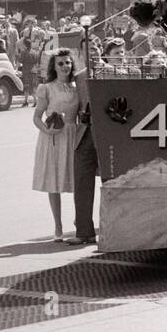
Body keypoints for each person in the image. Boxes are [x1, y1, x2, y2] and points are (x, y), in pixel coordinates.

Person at [32, 48, 81, 241]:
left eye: (68, 63)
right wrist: (46, 129)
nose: (65, 66)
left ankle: (80, 221)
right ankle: (58, 227)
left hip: (73, 134)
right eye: (60, 63)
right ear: (54, 66)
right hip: (53, 137)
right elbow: (36, 117)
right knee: (54, 181)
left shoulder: (78, 86)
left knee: (78, 180)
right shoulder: (47, 88)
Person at [67, 39, 102, 246]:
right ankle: (84, 230)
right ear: (81, 53)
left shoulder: (113, 71)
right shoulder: (79, 78)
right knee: (81, 183)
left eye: (96, 47)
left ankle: (108, 229)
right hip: (84, 132)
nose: (93, 51)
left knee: (109, 182)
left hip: (107, 134)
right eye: (89, 49)